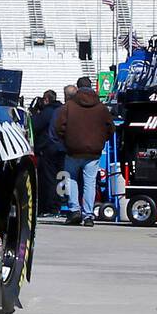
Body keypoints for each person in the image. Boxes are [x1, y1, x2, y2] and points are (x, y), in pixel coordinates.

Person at [53, 75, 114, 227]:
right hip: (93, 151)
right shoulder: (101, 108)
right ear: (92, 87)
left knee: (71, 179)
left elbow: (58, 127)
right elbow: (110, 128)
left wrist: (66, 141)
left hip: (73, 149)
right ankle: (88, 215)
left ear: (78, 87)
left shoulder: (69, 106)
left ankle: (74, 210)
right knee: (90, 182)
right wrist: (101, 140)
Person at [31, 90, 64, 217]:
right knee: (62, 177)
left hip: (48, 149)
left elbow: (34, 125)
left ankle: (50, 207)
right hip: (63, 149)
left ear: (46, 100)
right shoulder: (62, 110)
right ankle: (60, 204)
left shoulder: (47, 112)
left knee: (49, 179)